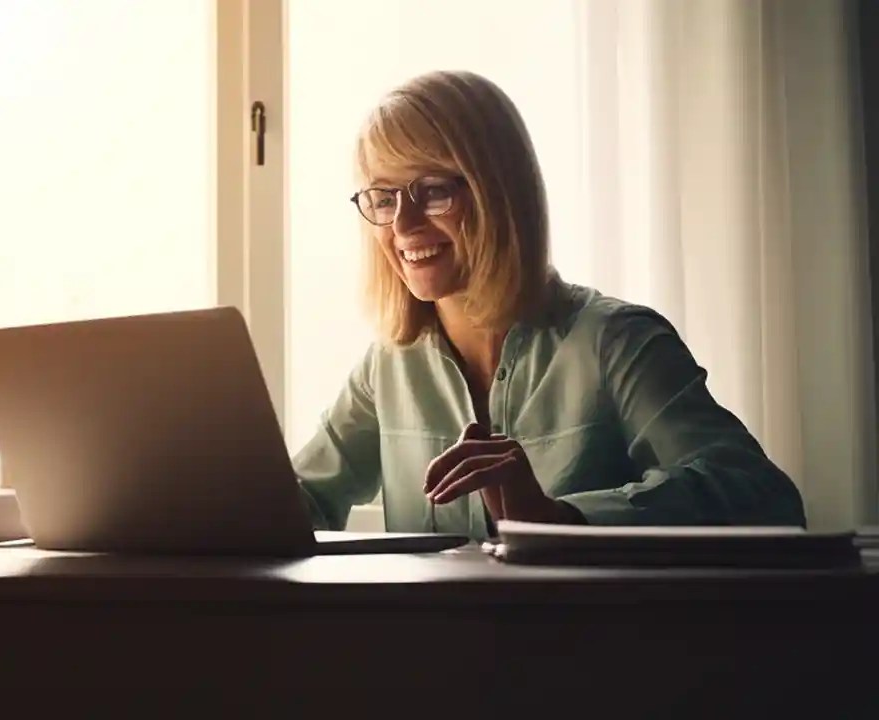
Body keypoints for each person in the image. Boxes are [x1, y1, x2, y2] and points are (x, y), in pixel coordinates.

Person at [294, 70, 806, 541]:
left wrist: (561, 519)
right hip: (436, 641)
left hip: (588, 641)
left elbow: (762, 497)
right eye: (384, 198)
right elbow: (301, 502)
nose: (403, 226)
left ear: (499, 192)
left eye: (431, 191)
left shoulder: (617, 342)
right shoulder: (386, 367)